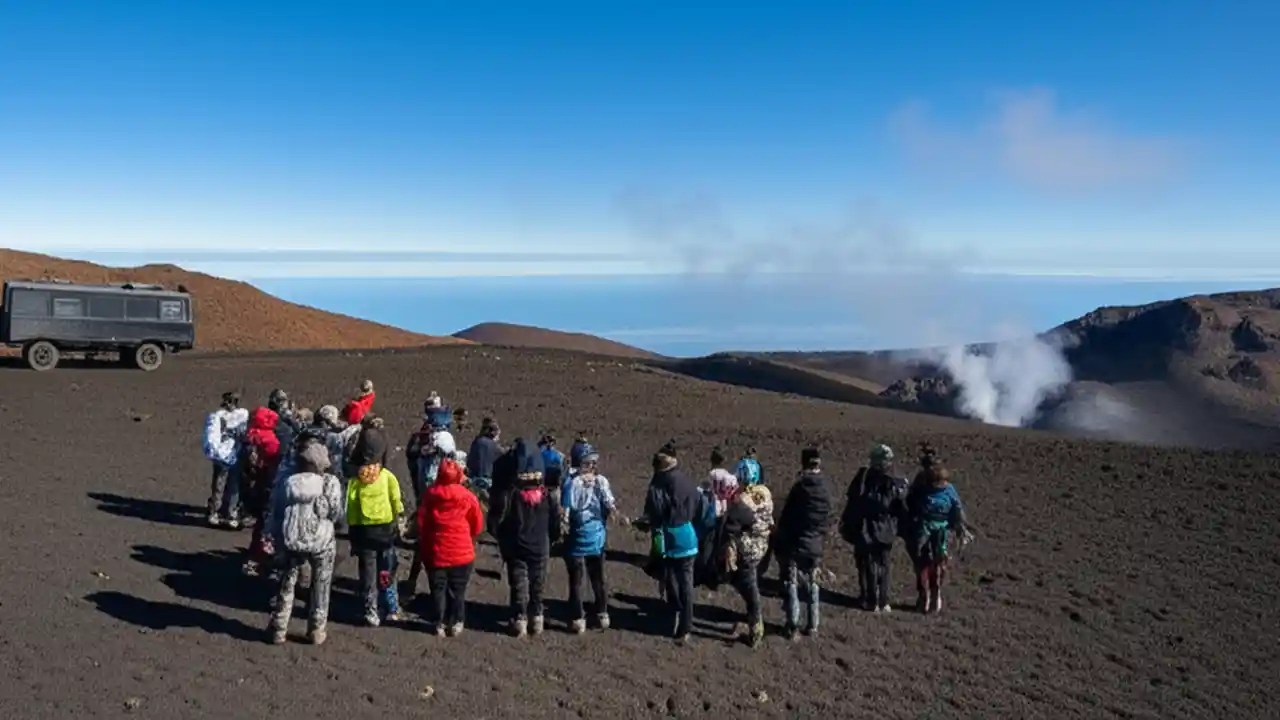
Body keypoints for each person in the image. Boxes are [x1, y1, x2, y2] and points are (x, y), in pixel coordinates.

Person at [266, 437, 344, 645]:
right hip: (322, 539)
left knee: (287, 582)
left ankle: (279, 627)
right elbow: (336, 513)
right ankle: (316, 630)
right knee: (321, 583)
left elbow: (278, 511)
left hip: (294, 538)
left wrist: (275, 537)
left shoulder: (290, 481)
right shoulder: (330, 482)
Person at [490, 439, 560, 637]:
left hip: (517, 544)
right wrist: (552, 539)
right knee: (538, 582)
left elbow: (501, 521)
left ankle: (519, 618)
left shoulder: (512, 496)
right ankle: (537, 617)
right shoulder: (547, 496)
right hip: (540, 544)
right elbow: (554, 524)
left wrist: (502, 539)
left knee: (519, 582)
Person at [417, 455, 485, 637]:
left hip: (436, 552)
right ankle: (456, 621)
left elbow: (422, 522)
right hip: (461, 552)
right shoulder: (467, 497)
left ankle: (439, 622)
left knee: (438, 589)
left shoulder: (430, 494)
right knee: (458, 590)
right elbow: (477, 524)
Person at [643, 441, 703, 645]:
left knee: (671, 580)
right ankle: (685, 626)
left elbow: (655, 511)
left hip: (669, 538)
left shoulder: (659, 484)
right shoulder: (686, 481)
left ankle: (675, 616)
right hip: (688, 535)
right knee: (686, 584)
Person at [345, 424, 404, 626]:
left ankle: (370, 611)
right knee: (387, 572)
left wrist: (353, 530)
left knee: (368, 574)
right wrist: (399, 519)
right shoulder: (387, 477)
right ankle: (391, 607)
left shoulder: (355, 481)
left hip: (364, 533)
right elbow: (396, 501)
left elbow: (351, 510)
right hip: (386, 531)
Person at [840, 444, 908, 613]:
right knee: (883, 565)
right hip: (887, 530)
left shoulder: (865, 478)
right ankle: (882, 600)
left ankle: (870, 600)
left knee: (868, 564)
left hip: (867, 528)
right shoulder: (897, 481)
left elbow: (854, 499)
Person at [906, 444, 973, 615]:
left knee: (922, 565)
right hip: (942, 532)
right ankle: (936, 596)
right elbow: (957, 508)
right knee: (939, 564)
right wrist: (959, 526)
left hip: (923, 530)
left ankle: (924, 597)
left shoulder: (920, 484)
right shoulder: (948, 488)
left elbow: (909, 504)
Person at [774, 447, 832, 639]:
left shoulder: (800, 487)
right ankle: (813, 624)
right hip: (816, 542)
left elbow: (788, 515)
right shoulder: (825, 488)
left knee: (792, 582)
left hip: (797, 542)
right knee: (813, 582)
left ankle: (793, 625)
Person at [560, 444, 616, 634]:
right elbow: (610, 505)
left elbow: (565, 511)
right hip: (597, 537)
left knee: (576, 581)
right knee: (598, 578)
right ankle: (602, 614)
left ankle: (577, 618)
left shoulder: (571, 483)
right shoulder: (601, 482)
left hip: (577, 536)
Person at [721, 483, 774, 647]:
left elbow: (734, 525)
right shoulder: (765, 497)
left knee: (750, 590)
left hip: (748, 552)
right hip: (761, 547)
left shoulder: (743, 507)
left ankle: (756, 631)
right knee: (749, 584)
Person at [241, 407, 283, 576]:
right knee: (267, 525)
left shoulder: (250, 435)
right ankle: (258, 560)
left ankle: (254, 557)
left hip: (252, 485)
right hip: (266, 485)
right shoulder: (271, 440)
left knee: (259, 525)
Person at [203, 392, 248, 527]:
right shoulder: (218, 416)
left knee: (231, 485)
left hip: (233, 453)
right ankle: (216, 511)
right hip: (224, 454)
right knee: (221, 484)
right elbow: (212, 437)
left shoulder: (241, 415)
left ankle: (229, 512)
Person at [466, 418, 502, 503]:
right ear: (493, 434)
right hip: (487, 481)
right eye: (498, 435)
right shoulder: (493, 446)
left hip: (473, 479)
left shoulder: (476, 442)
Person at [705, 447, 739, 518]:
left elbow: (706, 491)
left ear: (712, 461)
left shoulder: (711, 474)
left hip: (714, 508)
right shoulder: (729, 476)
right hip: (727, 509)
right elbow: (735, 489)